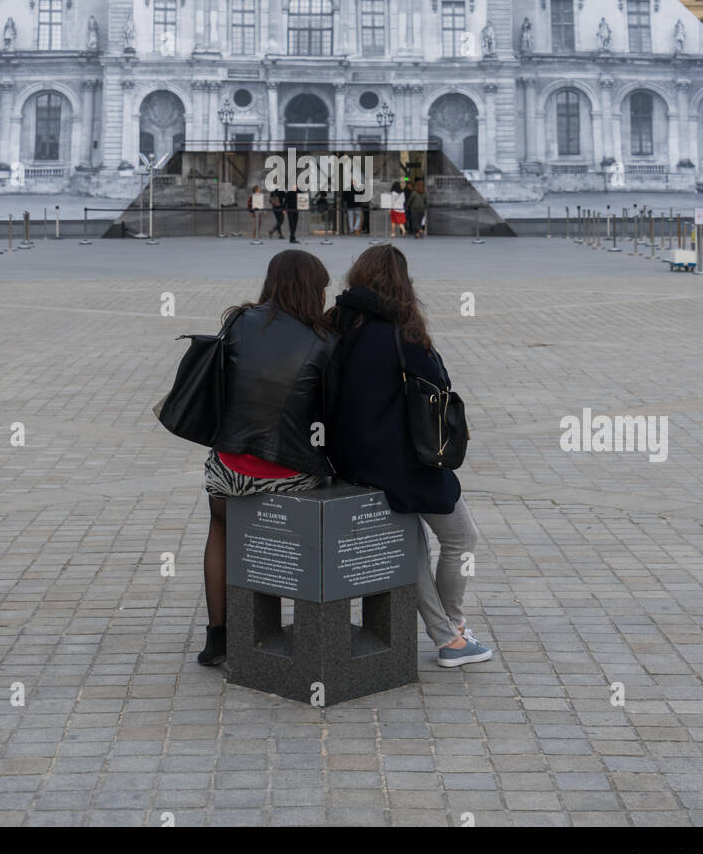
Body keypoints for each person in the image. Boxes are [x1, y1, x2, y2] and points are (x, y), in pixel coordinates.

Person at [328, 244, 491, 667]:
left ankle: (448, 637)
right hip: (408, 462)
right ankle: (452, 633)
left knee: (410, 546)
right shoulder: (403, 331)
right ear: (402, 282)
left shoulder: (336, 324)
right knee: (461, 537)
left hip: (351, 462)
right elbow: (439, 385)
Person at [199, 251, 338, 666]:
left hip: (231, 466)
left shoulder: (238, 321)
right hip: (289, 471)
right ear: (313, 290)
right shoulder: (325, 341)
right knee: (306, 531)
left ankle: (217, 640)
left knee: (219, 529)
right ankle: (303, 637)